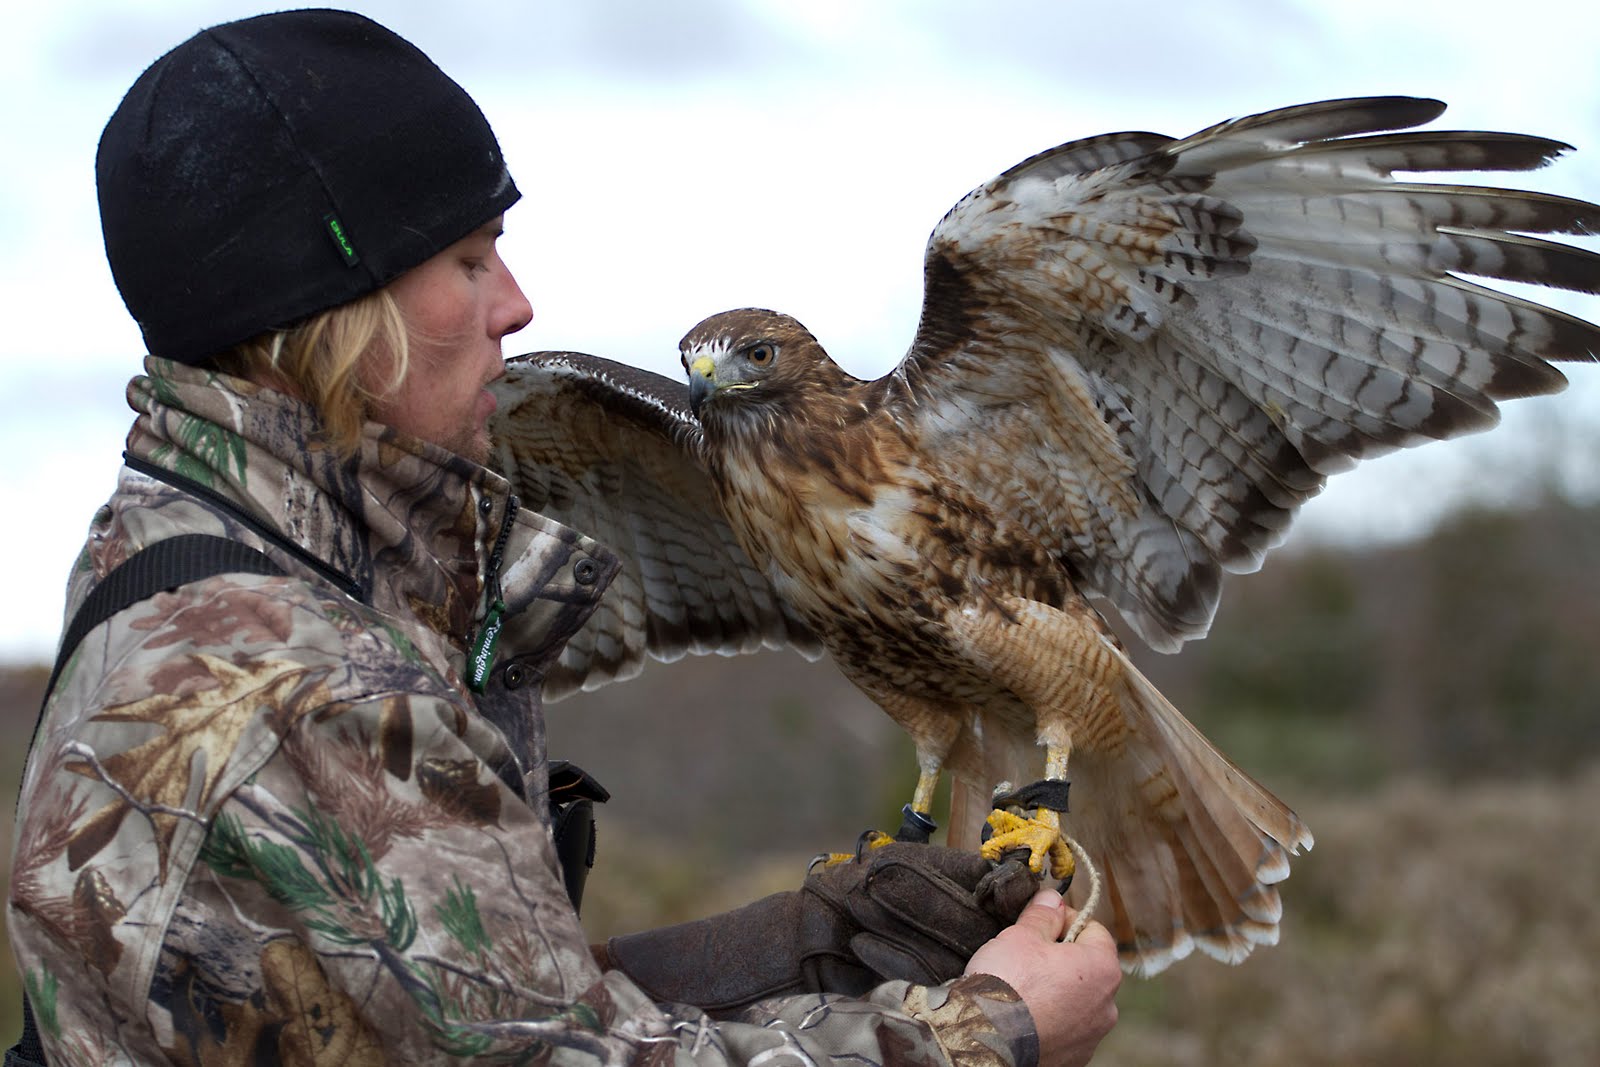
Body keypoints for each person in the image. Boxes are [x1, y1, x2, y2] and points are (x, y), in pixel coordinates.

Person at [5, 10, 1120, 1066]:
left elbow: (449, 1017)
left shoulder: (174, 548)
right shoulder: (316, 694)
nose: (519, 303)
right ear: (335, 300)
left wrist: (798, 946)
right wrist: (984, 1032)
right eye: (470, 259)